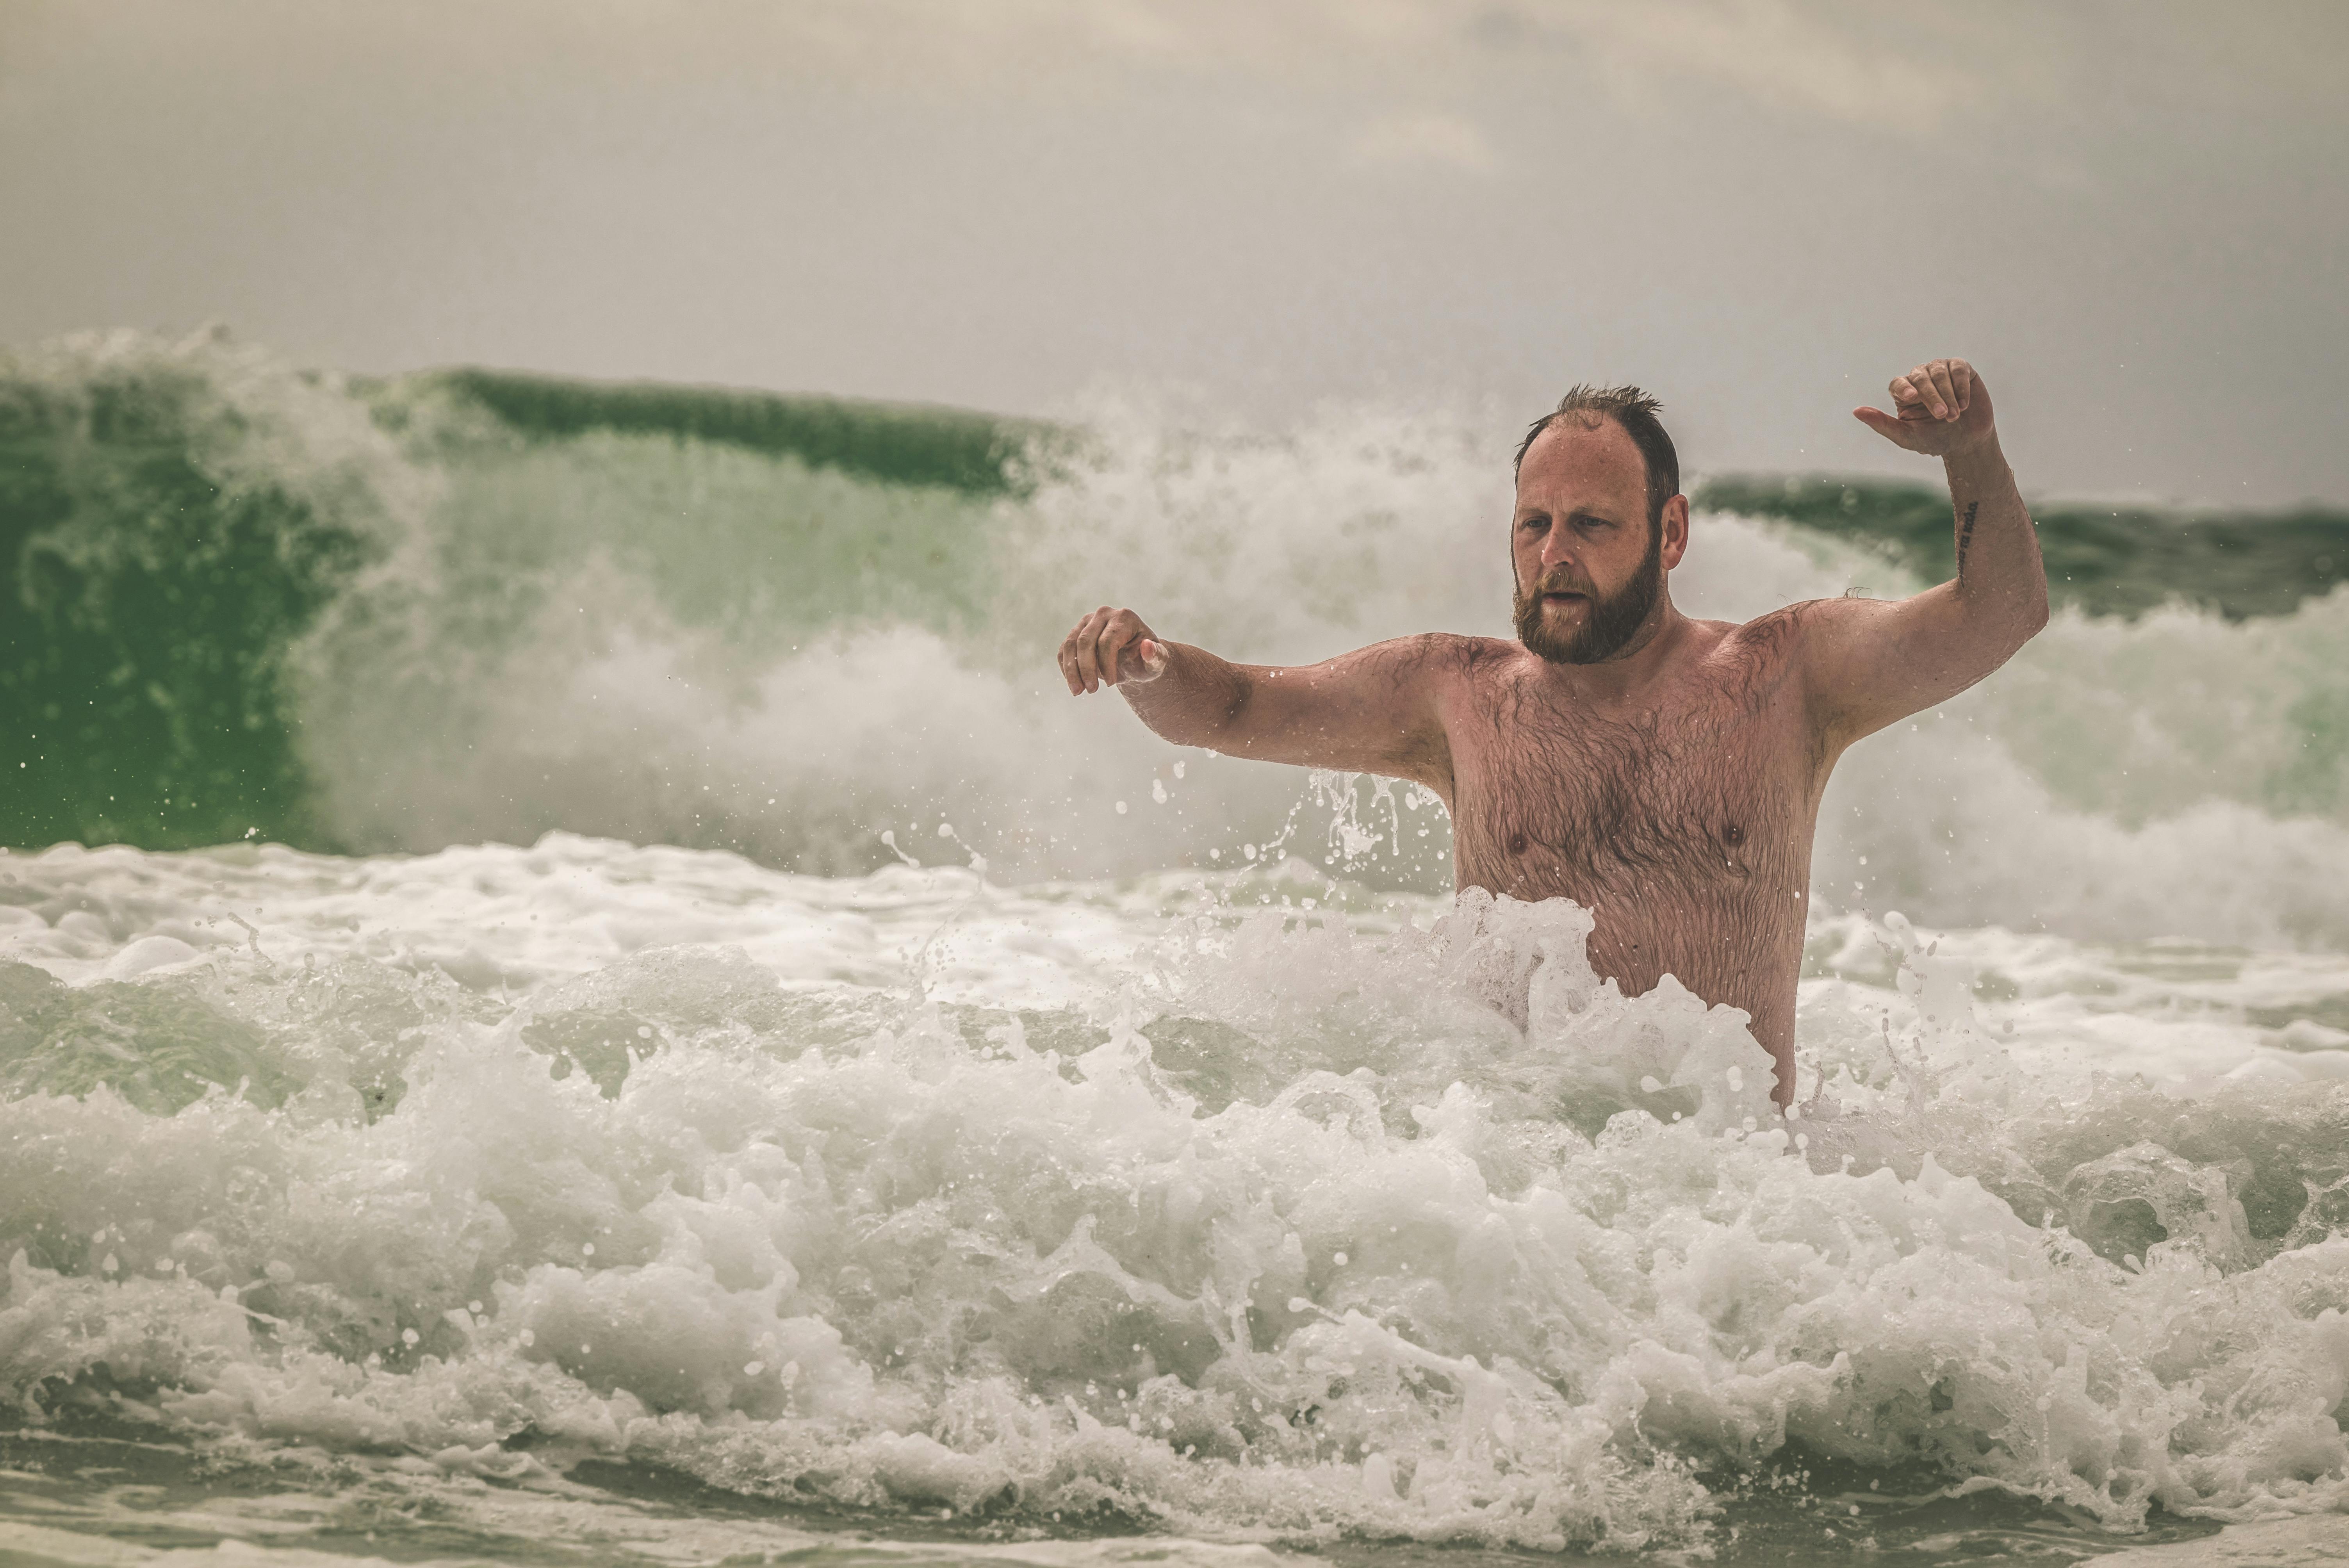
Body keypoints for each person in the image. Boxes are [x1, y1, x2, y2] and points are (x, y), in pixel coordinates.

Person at [1058, 360, 2047, 1106]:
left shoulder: (1785, 675)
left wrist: (1971, 454)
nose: (1552, 556)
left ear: (1668, 535)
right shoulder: (1456, 694)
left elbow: (1999, 612)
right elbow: (1233, 706)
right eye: (1532, 525)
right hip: (1523, 1213)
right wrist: (1147, 663)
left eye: (1590, 524)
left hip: (1737, 1210)